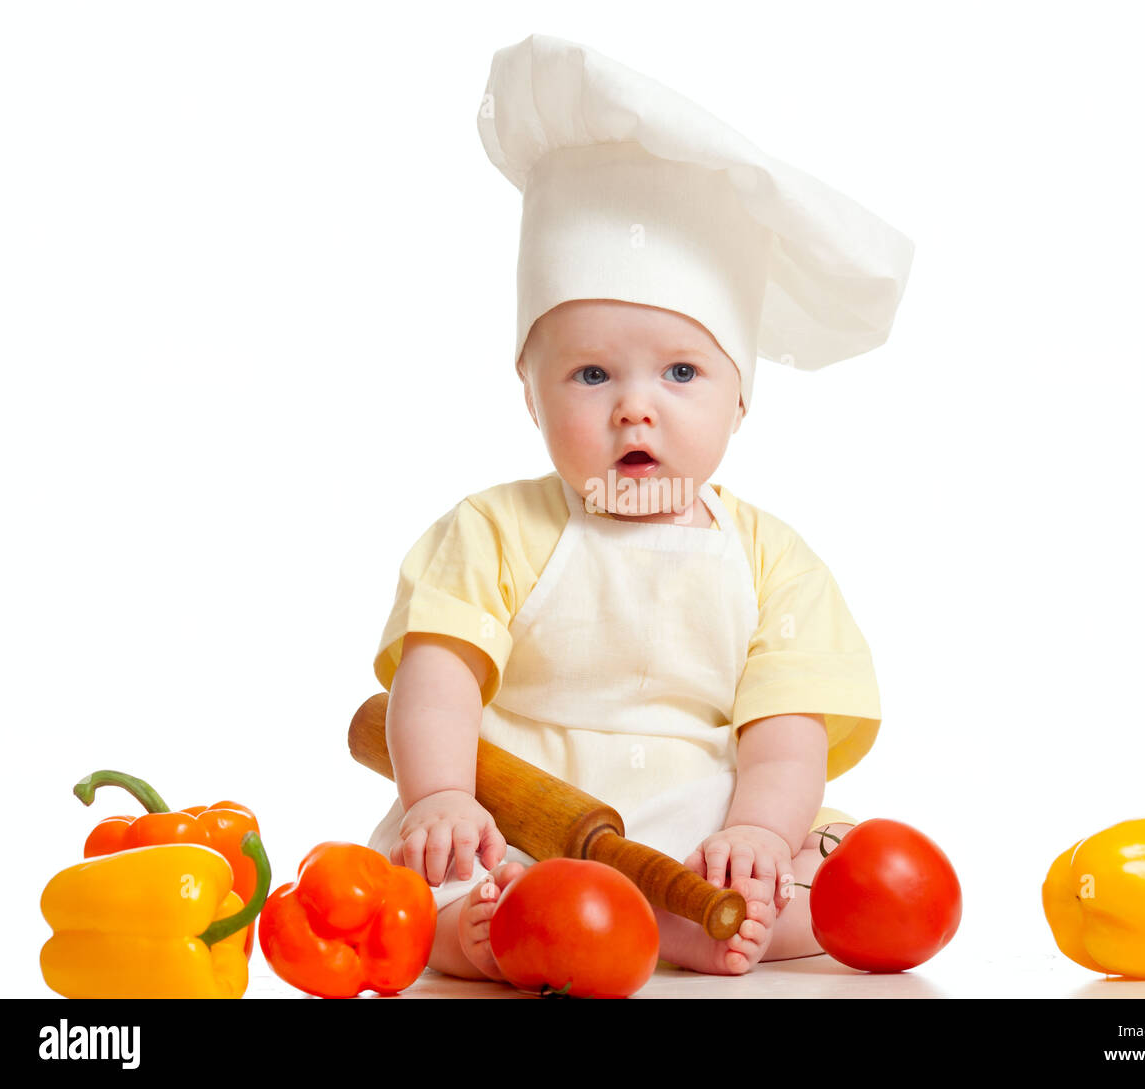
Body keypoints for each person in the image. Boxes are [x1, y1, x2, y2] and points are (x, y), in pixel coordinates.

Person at [366, 33, 914, 983]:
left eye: (681, 371)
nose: (635, 403)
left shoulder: (772, 560)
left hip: (702, 817)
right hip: (531, 814)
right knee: (445, 878)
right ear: (531, 395)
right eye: (589, 372)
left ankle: (698, 910)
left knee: (827, 872)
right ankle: (490, 932)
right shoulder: (493, 530)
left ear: (740, 399)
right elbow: (439, 679)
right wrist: (444, 797)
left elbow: (787, 732)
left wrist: (754, 829)